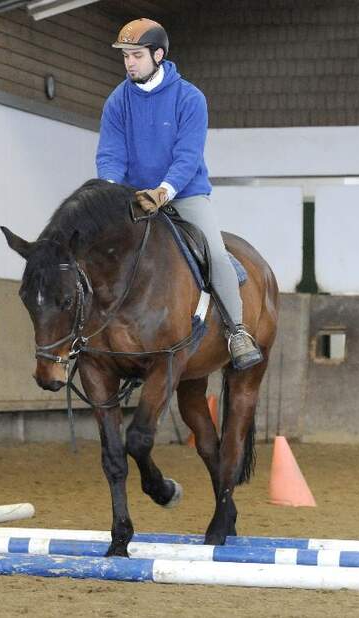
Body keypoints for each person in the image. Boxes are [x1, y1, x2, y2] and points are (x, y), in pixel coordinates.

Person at [96, 18, 264, 371]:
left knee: (216, 255)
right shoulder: (116, 101)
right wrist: (110, 194)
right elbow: (111, 155)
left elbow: (187, 156)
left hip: (184, 193)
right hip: (133, 198)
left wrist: (163, 191)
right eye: (125, 56)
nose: (129, 63)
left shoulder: (190, 98)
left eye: (136, 55)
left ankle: (237, 332)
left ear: (158, 55)